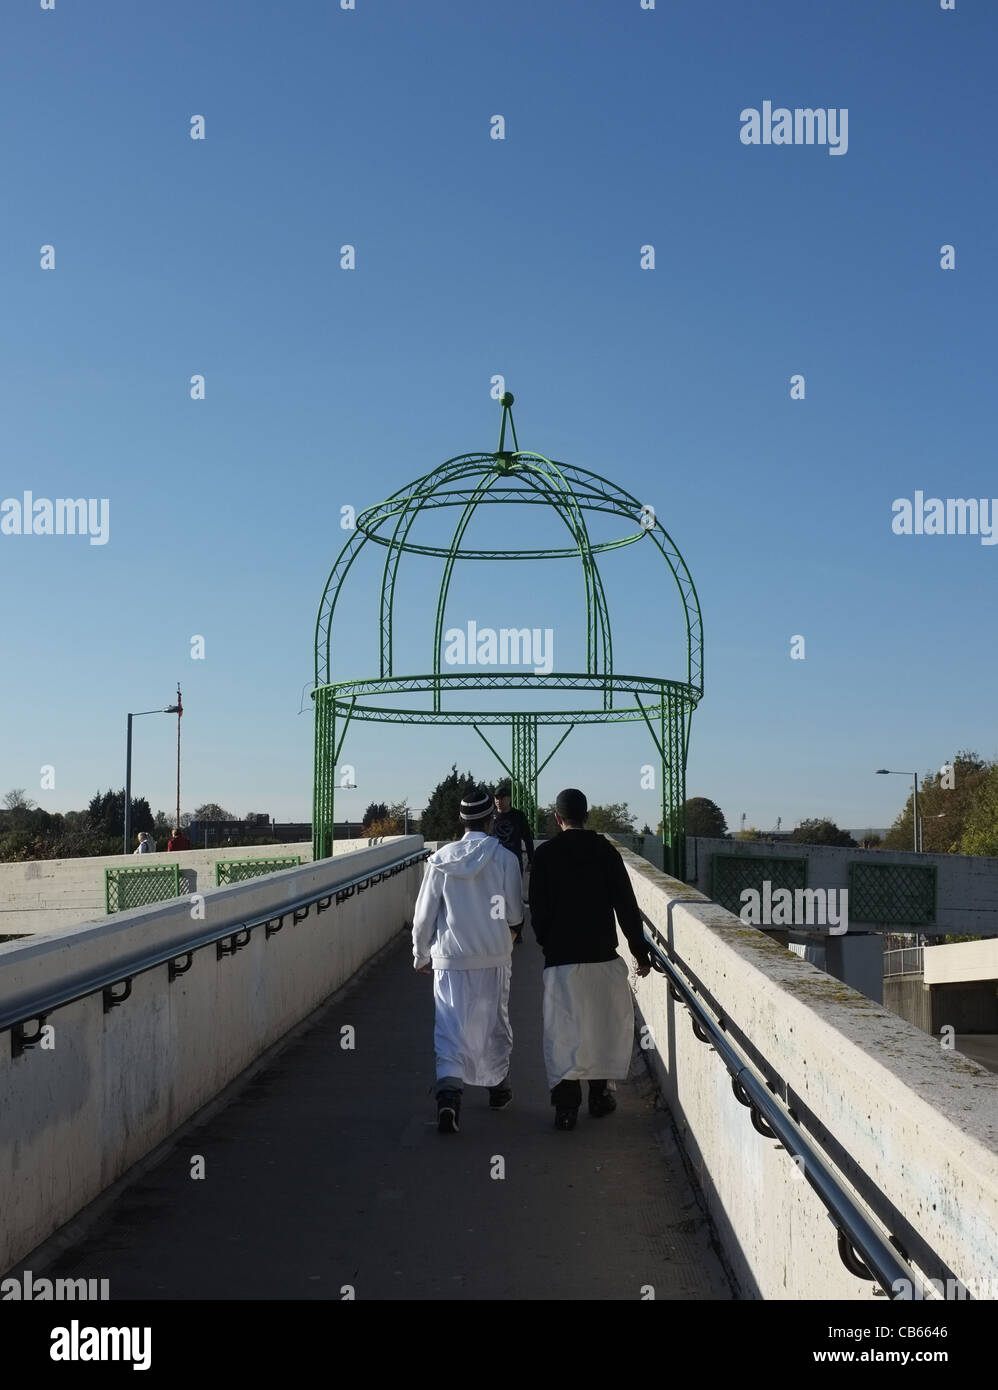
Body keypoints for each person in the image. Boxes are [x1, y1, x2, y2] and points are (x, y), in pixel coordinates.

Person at [528, 787, 652, 1131]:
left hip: (561, 961)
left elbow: (538, 910)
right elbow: (627, 907)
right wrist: (640, 952)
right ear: (587, 815)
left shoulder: (546, 855)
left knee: (564, 1033)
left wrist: (548, 944)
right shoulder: (606, 852)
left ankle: (566, 1108)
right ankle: (599, 1098)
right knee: (599, 1030)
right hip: (602, 956)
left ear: (557, 818)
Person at [412, 787, 524, 1134]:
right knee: (492, 1024)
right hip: (493, 957)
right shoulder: (505, 859)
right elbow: (514, 912)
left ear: (461, 820)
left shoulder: (440, 861)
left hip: (450, 959)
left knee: (449, 1029)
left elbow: (424, 916)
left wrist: (421, 954)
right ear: (491, 819)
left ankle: (448, 1098)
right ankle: (498, 1090)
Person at [492, 786, 534, 943]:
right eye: (496, 797)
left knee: (514, 898)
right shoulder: (492, 816)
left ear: (509, 798)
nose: (498, 801)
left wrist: (531, 860)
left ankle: (517, 930)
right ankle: (499, 930)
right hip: (494, 865)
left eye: (502, 797)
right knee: (496, 897)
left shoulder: (518, 816)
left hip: (514, 864)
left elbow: (528, 839)